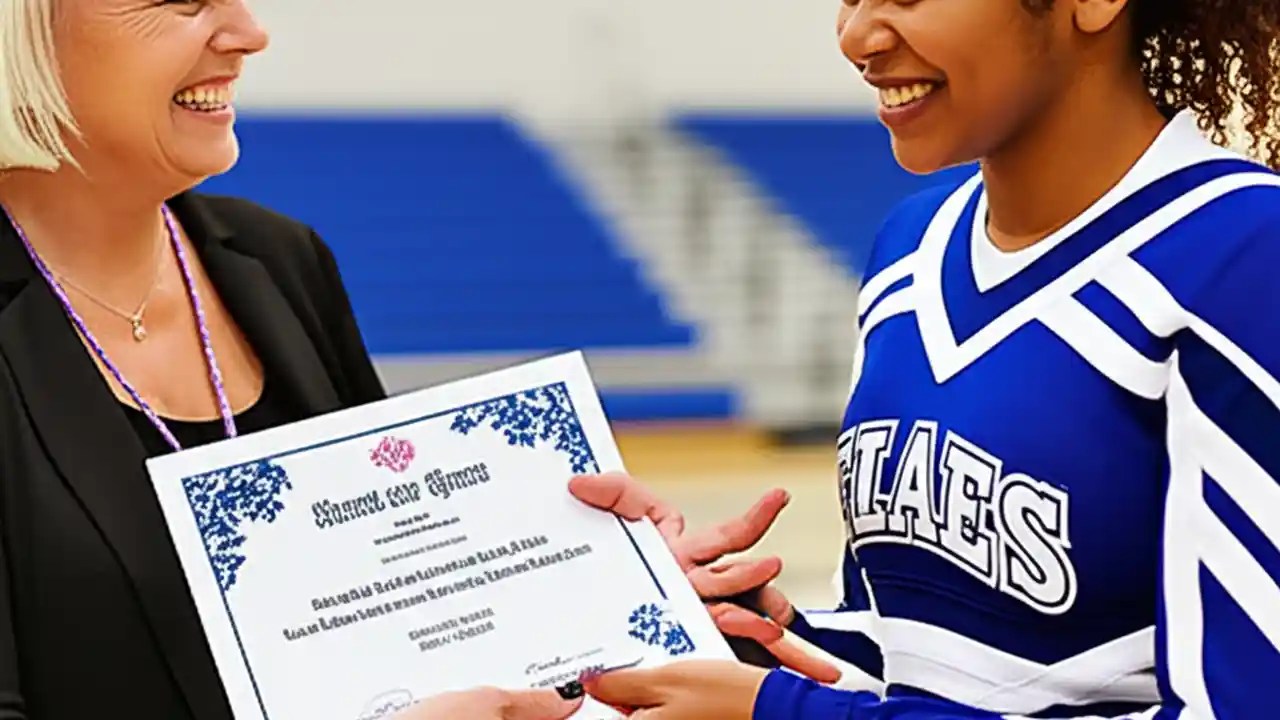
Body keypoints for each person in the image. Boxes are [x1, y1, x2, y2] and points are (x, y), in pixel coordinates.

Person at [566, 0, 1280, 718]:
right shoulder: (909, 250)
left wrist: (780, 712)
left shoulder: (1243, 254)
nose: (856, 35)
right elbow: (919, 667)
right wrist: (749, 633)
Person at [0, 2, 604, 719]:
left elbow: (410, 612)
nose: (250, 34)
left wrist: (603, 577)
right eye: (179, 1)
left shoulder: (280, 261)